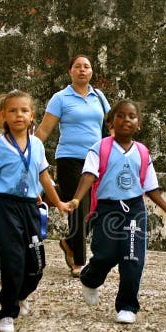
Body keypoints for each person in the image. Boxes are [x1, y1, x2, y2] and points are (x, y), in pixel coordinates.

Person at [0, 90, 71, 332]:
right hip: (5, 206)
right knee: (13, 259)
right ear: (3, 115)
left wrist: (59, 204)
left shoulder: (36, 144)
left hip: (30, 207)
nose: (19, 115)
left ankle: (20, 295)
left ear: (32, 116)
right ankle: (7, 313)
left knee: (37, 264)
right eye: (13, 110)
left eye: (24, 110)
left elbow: (44, 178)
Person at [67, 100, 166, 324]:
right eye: (121, 116)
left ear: (139, 124)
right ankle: (90, 278)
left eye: (132, 116)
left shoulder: (143, 152)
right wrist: (77, 199)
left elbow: (151, 187)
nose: (126, 119)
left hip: (134, 208)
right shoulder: (100, 148)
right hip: (107, 209)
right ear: (111, 122)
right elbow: (88, 175)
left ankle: (127, 305)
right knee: (106, 253)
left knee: (133, 256)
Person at [35, 54, 110, 278]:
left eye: (86, 66)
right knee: (79, 208)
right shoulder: (60, 98)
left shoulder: (99, 96)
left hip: (95, 159)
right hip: (70, 159)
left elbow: (108, 128)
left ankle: (69, 242)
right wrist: (28, 151)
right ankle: (79, 261)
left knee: (96, 209)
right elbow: (44, 130)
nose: (82, 70)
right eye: (77, 66)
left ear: (92, 72)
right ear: (70, 71)